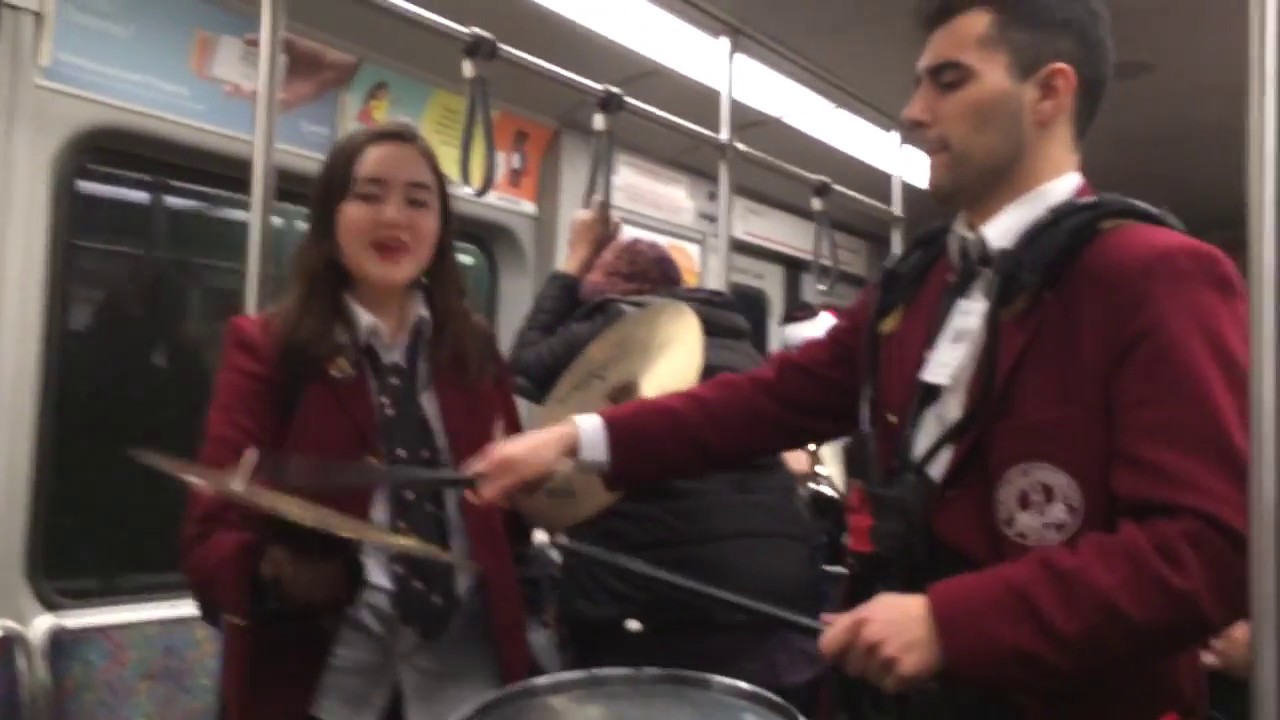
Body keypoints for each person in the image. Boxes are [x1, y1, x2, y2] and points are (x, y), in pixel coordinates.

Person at [462, 2, 1248, 718]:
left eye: (948, 82)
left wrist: (951, 623)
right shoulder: (918, 287)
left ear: (1049, 94)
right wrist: (579, 440)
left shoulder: (1152, 275)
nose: (912, 113)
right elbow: (764, 403)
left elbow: (1204, 552)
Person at [180, 122, 536, 720]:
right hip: (324, 677)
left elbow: (512, 517)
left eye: (418, 201)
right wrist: (273, 573)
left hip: (470, 680)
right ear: (330, 217)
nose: (393, 217)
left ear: (440, 229)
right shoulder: (269, 348)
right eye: (368, 195)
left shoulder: (473, 352)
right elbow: (207, 543)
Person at [507, 202, 828, 714]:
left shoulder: (618, 321)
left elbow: (523, 367)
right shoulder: (740, 345)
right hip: (779, 600)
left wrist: (572, 260)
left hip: (661, 607)